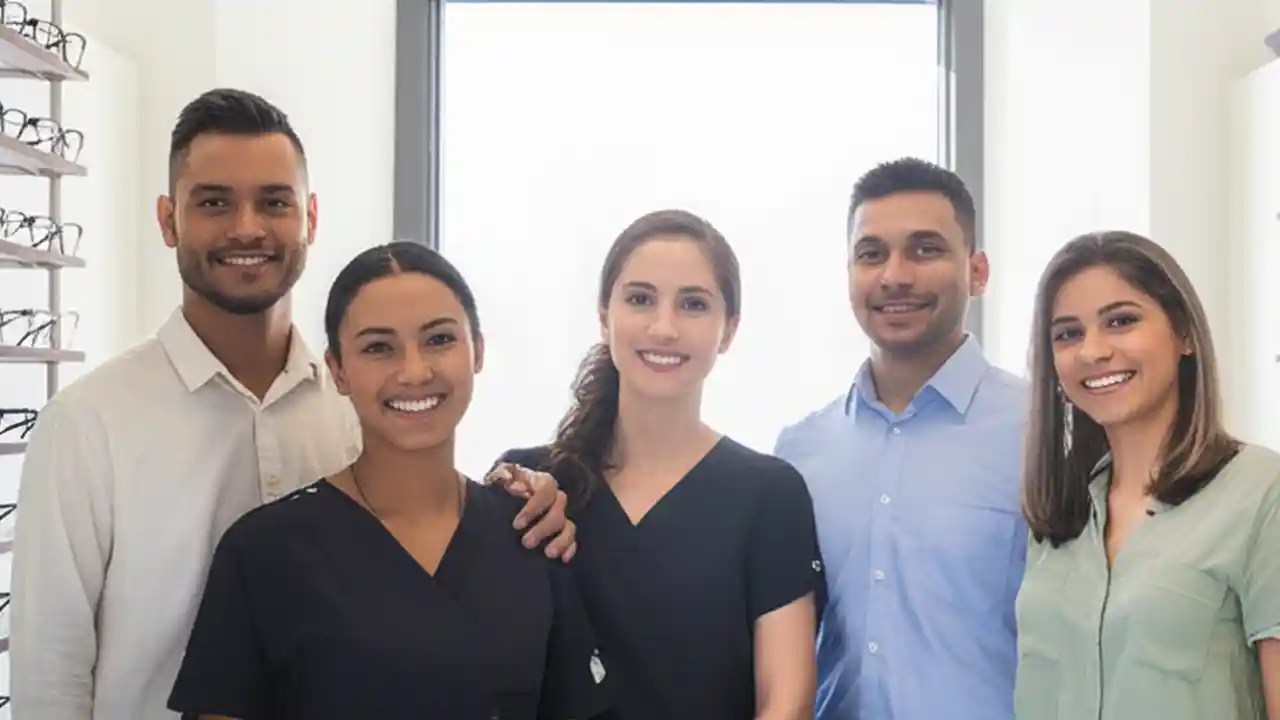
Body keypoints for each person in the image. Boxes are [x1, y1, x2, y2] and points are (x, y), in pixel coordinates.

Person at [9, 88, 571, 720]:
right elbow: (47, 681)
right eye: (214, 202)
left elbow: (433, 515)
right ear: (168, 220)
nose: (247, 227)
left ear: (309, 217)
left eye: (273, 202)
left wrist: (512, 497)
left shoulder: (359, 402)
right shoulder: (90, 424)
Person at [167, 241, 611, 719]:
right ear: (337, 370)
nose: (415, 371)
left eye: (439, 339)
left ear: (477, 351)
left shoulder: (532, 534)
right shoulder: (265, 553)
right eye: (379, 347)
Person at [493, 209, 824, 719]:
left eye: (693, 304)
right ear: (605, 315)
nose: (664, 327)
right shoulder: (532, 491)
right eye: (640, 299)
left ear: (728, 329)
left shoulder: (768, 496)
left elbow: (787, 701)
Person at [772, 157, 1028, 719]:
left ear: (977, 271)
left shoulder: (1043, 434)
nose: (894, 276)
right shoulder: (799, 453)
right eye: (871, 254)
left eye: (925, 249)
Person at [1015, 231, 1280, 720]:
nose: (1092, 351)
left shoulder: (1263, 492)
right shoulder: (1060, 513)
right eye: (1067, 333)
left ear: (1183, 334)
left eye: (1120, 321)